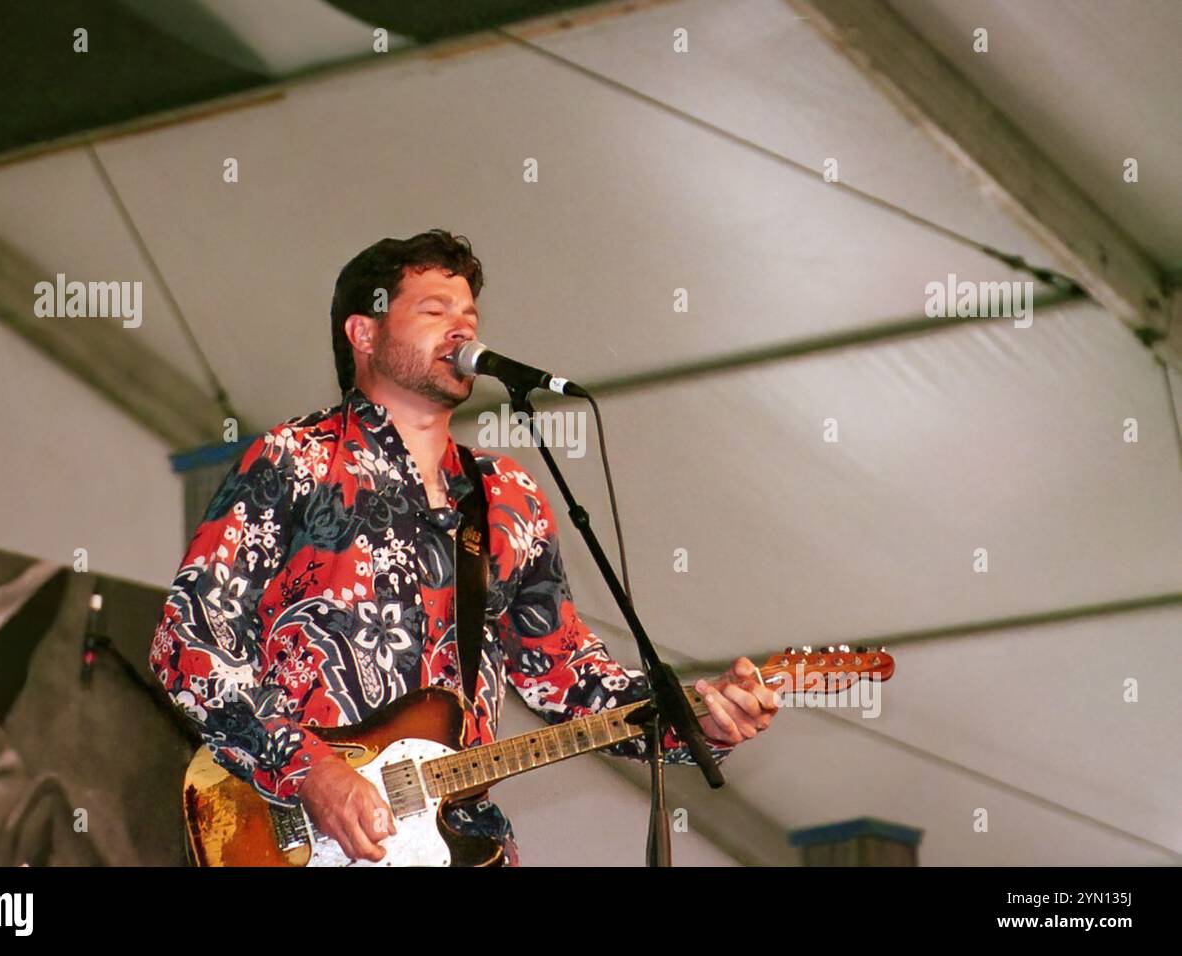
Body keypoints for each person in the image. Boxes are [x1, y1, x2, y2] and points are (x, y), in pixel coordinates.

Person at [149, 229, 778, 866]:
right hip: (304, 834)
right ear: (363, 333)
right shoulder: (296, 459)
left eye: (469, 315)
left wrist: (698, 716)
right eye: (433, 311)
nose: (461, 328)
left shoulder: (510, 496)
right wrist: (313, 772)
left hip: (460, 841)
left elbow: (568, 679)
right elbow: (186, 642)